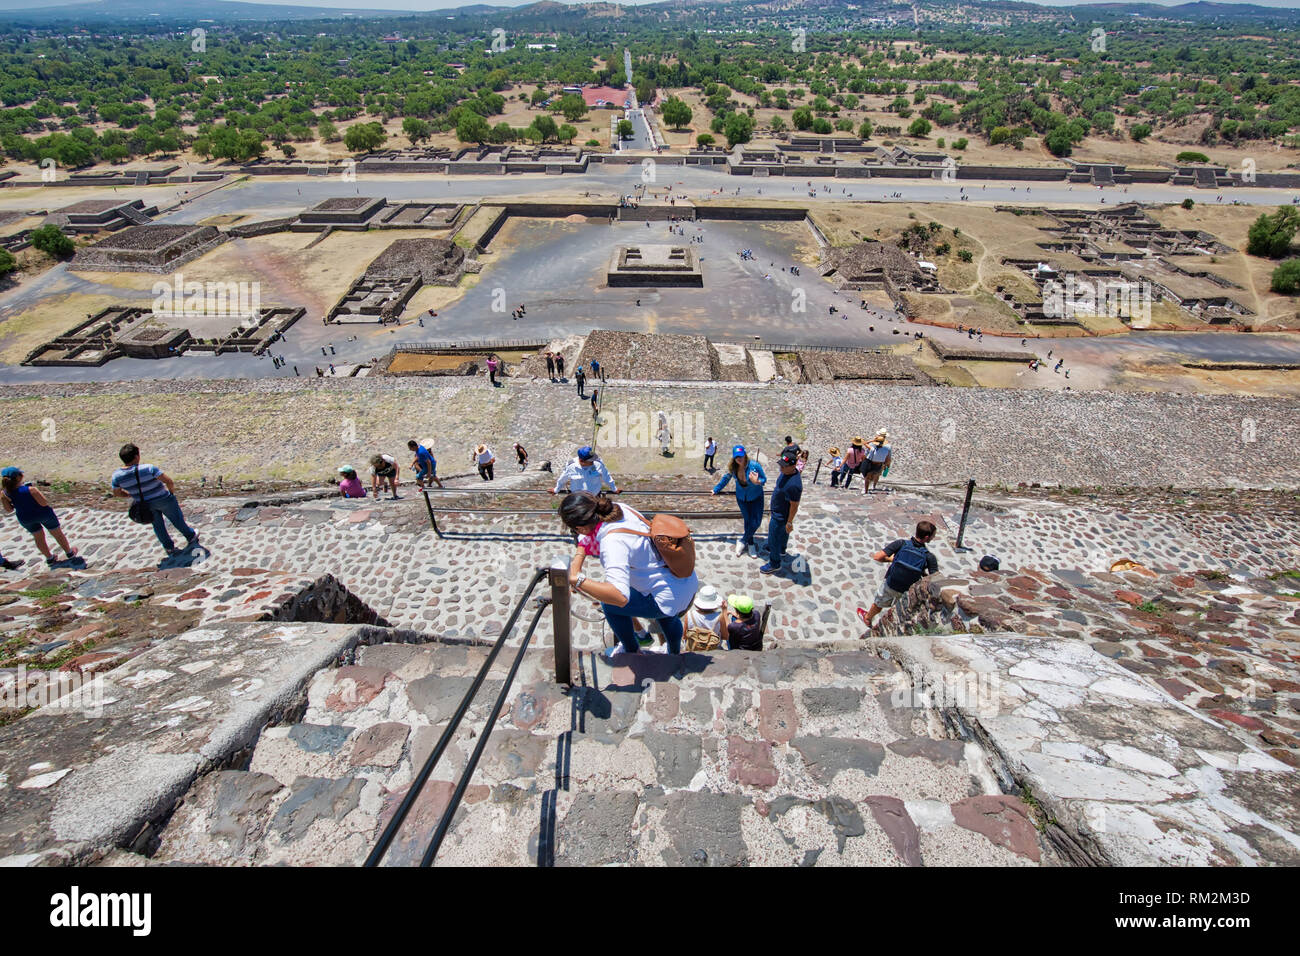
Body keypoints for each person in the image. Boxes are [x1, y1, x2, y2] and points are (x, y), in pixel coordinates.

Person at [560, 492, 698, 660]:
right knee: (667, 617)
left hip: (666, 596)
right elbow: (588, 539)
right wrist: (580, 552)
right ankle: (674, 652)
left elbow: (619, 596)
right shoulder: (618, 510)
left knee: (610, 606)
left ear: (581, 528)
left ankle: (631, 650)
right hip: (683, 581)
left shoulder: (612, 542)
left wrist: (577, 579)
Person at [110, 443, 199, 556]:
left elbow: (117, 492)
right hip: (163, 499)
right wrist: (171, 493)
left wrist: (131, 494)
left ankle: (169, 547)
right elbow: (168, 481)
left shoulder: (117, 476)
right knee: (176, 519)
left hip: (144, 504)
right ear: (136, 456)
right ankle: (190, 536)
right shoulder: (148, 468)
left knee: (158, 525)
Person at [857, 521, 940, 630]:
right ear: (926, 537)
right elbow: (936, 579)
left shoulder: (901, 544)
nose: (933, 538)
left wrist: (892, 559)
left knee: (879, 603)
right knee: (901, 610)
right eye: (933, 536)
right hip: (907, 590)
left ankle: (867, 618)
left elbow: (877, 557)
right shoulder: (929, 557)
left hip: (891, 583)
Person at [1, 466, 78, 566]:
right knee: (57, 534)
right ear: (19, 477)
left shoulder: (4, 494)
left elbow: (9, 510)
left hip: (25, 518)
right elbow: (44, 503)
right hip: (43, 514)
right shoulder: (31, 490)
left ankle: (49, 558)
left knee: (38, 538)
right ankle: (69, 553)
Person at [712, 445, 765, 556]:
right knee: (747, 521)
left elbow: (764, 479)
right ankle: (750, 544)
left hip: (756, 497)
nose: (739, 459)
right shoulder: (733, 468)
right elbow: (725, 479)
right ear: (734, 458)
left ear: (745, 455)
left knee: (756, 522)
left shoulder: (754, 466)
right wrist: (716, 489)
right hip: (742, 498)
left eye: (741, 456)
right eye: (737, 457)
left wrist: (757, 481)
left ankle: (742, 540)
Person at [760, 449, 802, 575]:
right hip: (779, 512)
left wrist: (789, 522)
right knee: (783, 535)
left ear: (793, 466)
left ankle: (774, 563)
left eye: (784, 466)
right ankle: (782, 549)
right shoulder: (787, 473)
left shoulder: (794, 485)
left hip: (780, 515)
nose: (781, 468)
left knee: (773, 538)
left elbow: (794, 505)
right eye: (781, 465)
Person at [552, 446, 618, 495]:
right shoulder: (571, 466)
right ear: (581, 461)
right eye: (590, 461)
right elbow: (563, 479)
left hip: (594, 496)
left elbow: (606, 476)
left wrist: (614, 489)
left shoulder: (598, 463)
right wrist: (556, 490)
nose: (593, 461)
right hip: (577, 497)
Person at [683, 584, 725, 651]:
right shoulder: (720, 617)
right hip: (713, 651)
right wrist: (724, 611)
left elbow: (684, 636)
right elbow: (725, 636)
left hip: (693, 649)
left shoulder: (689, 615)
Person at [863, 430, 892, 494]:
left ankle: (866, 491)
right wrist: (887, 466)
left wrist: (873, 440)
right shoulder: (888, 447)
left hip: (871, 463)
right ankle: (874, 486)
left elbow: (865, 445)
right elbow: (888, 458)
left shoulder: (871, 446)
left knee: (867, 477)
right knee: (876, 475)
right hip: (880, 464)